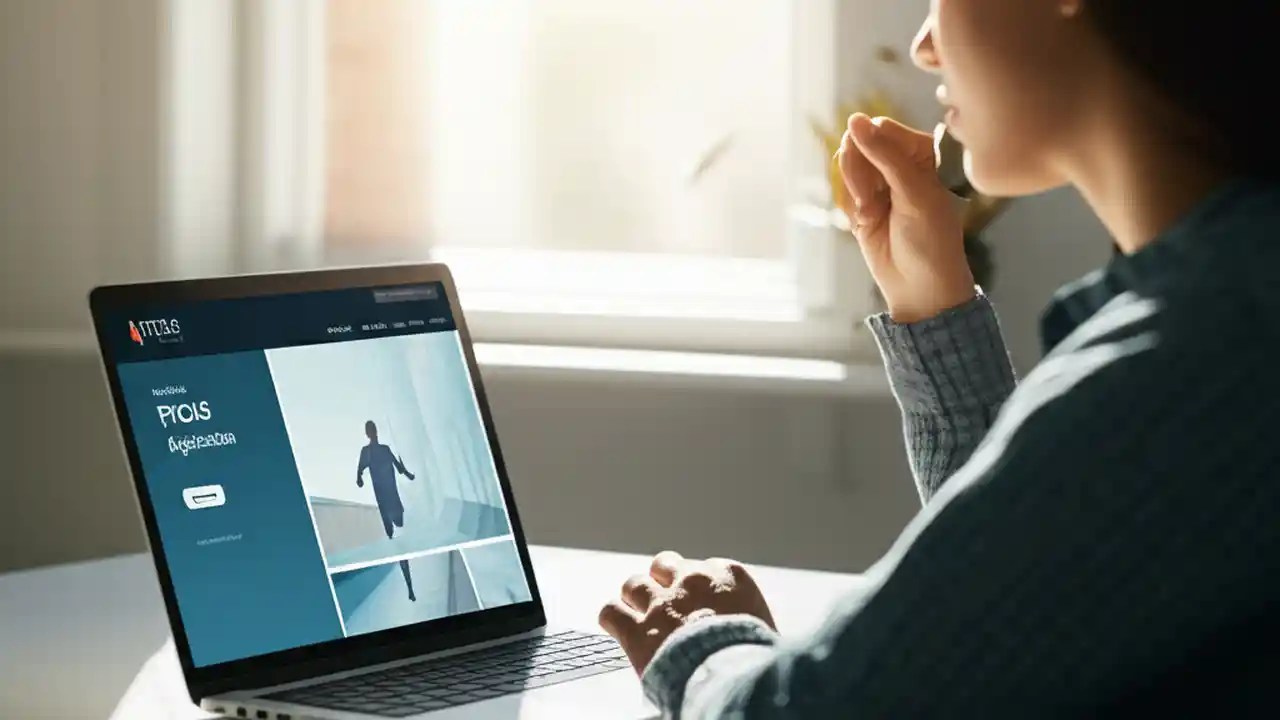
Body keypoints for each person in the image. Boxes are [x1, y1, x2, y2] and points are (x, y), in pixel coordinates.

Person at [598, 0, 1280, 716]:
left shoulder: (1200, 351)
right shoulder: (1226, 313)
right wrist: (934, 308)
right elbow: (1036, 597)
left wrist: (699, 644)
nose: (924, 46)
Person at [356, 420, 418, 601]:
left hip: (389, 503)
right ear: (371, 432)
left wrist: (408, 474)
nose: (373, 432)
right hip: (388, 503)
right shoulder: (371, 451)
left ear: (369, 433)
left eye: (372, 430)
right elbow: (359, 473)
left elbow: (399, 469)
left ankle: (410, 587)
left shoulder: (378, 450)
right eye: (372, 430)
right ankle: (410, 588)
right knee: (398, 541)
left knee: (398, 539)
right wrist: (408, 475)